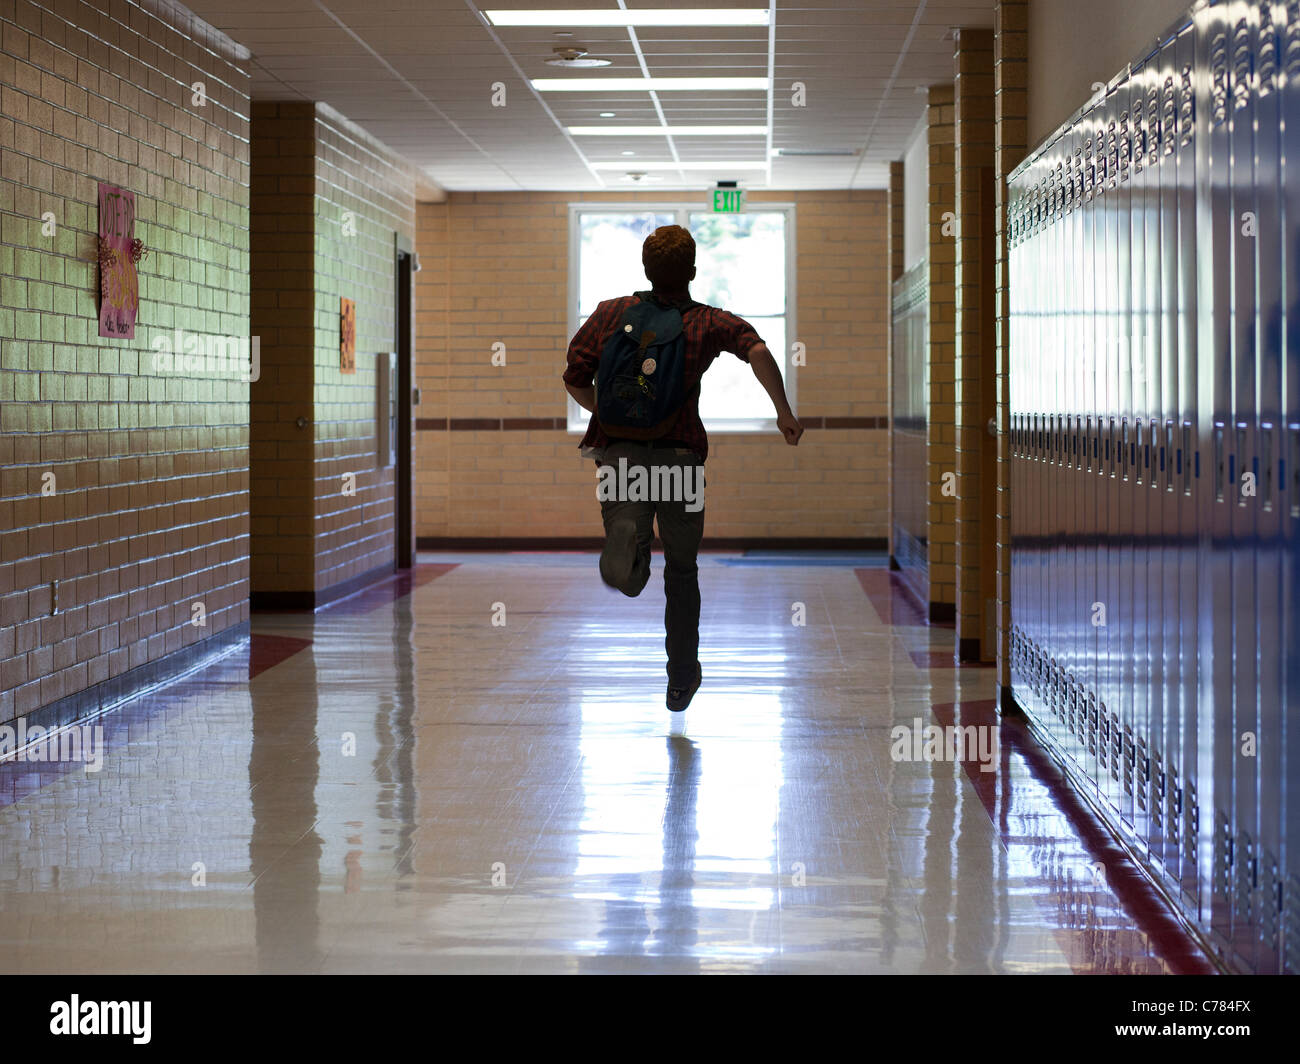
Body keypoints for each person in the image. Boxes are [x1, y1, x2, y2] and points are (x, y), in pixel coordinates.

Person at [562, 224, 803, 714]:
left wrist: (607, 415)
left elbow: (573, 374)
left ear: (646, 270)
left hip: (621, 457)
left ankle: (629, 552)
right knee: (683, 571)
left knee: (631, 565)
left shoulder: (611, 313)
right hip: (681, 459)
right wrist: (782, 409)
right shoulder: (706, 322)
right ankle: (680, 678)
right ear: (692, 271)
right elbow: (755, 347)